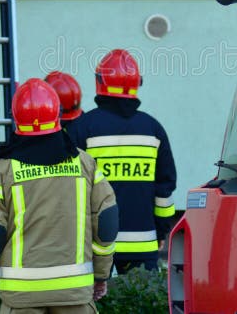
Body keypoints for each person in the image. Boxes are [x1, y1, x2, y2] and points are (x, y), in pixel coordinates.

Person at [0, 78, 118, 313]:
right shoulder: (85, 164)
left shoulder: (4, 170)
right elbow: (107, 221)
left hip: (21, 296)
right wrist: (101, 276)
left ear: (16, 120)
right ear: (57, 116)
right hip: (75, 294)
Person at [69, 49, 177, 274]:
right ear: (137, 84)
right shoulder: (153, 130)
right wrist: (161, 232)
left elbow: (68, 189)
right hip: (144, 245)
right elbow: (164, 193)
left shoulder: (82, 128)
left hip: (95, 246)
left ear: (100, 82)